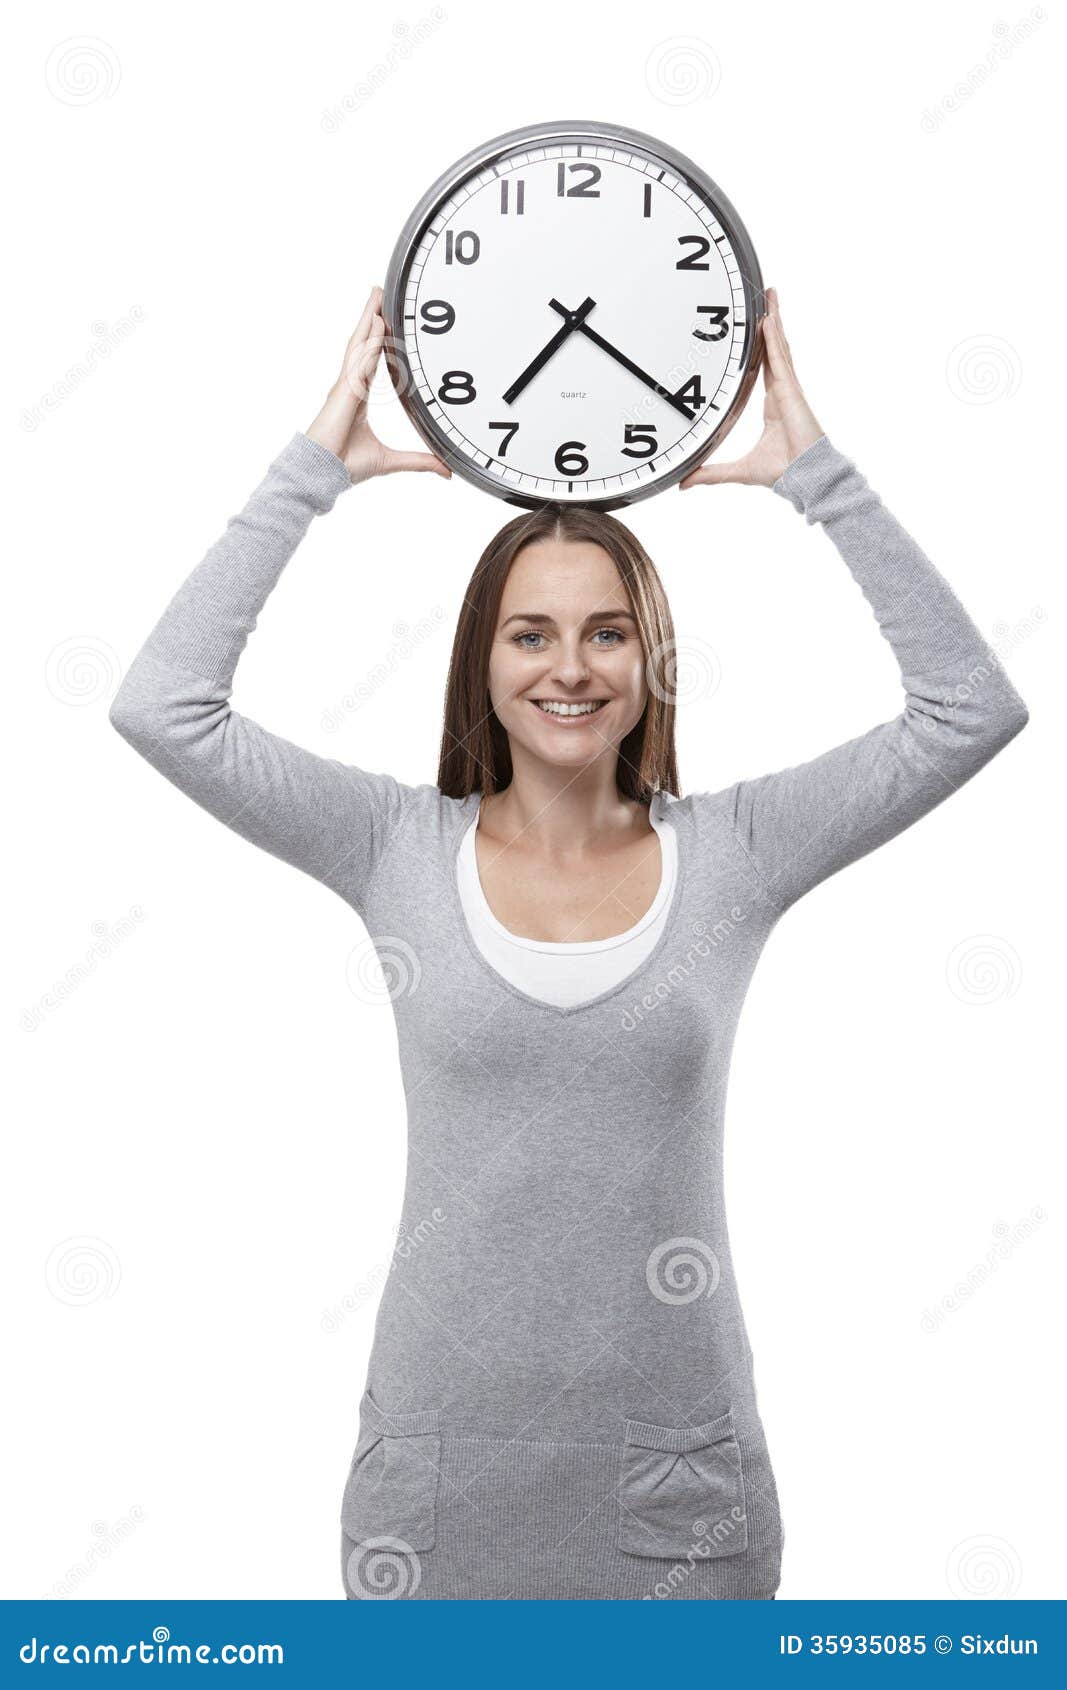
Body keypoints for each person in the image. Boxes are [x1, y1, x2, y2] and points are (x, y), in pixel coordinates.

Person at [109, 285, 1029, 1600]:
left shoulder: (737, 852)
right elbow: (165, 706)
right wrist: (322, 462)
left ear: (651, 656)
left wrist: (809, 471)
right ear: (481, 660)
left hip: (677, 1490)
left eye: (606, 631)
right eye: (529, 632)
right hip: (438, 1484)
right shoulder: (392, 849)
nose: (570, 667)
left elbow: (965, 710)